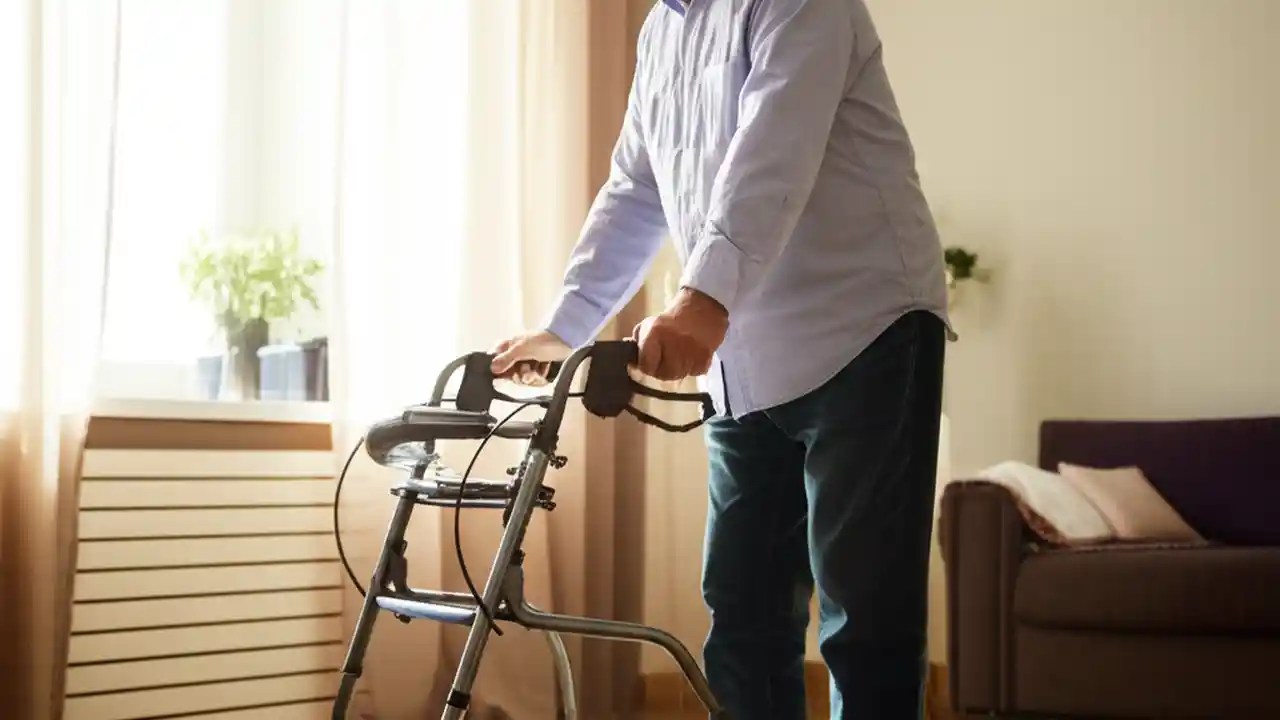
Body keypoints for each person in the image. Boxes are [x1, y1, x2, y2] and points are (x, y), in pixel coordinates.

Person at [492, 0, 949, 717]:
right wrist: (566, 327)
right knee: (742, 613)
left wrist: (700, 299)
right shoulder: (661, 30)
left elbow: (775, 148)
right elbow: (637, 186)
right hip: (741, 354)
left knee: (865, 619)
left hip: (865, 328)